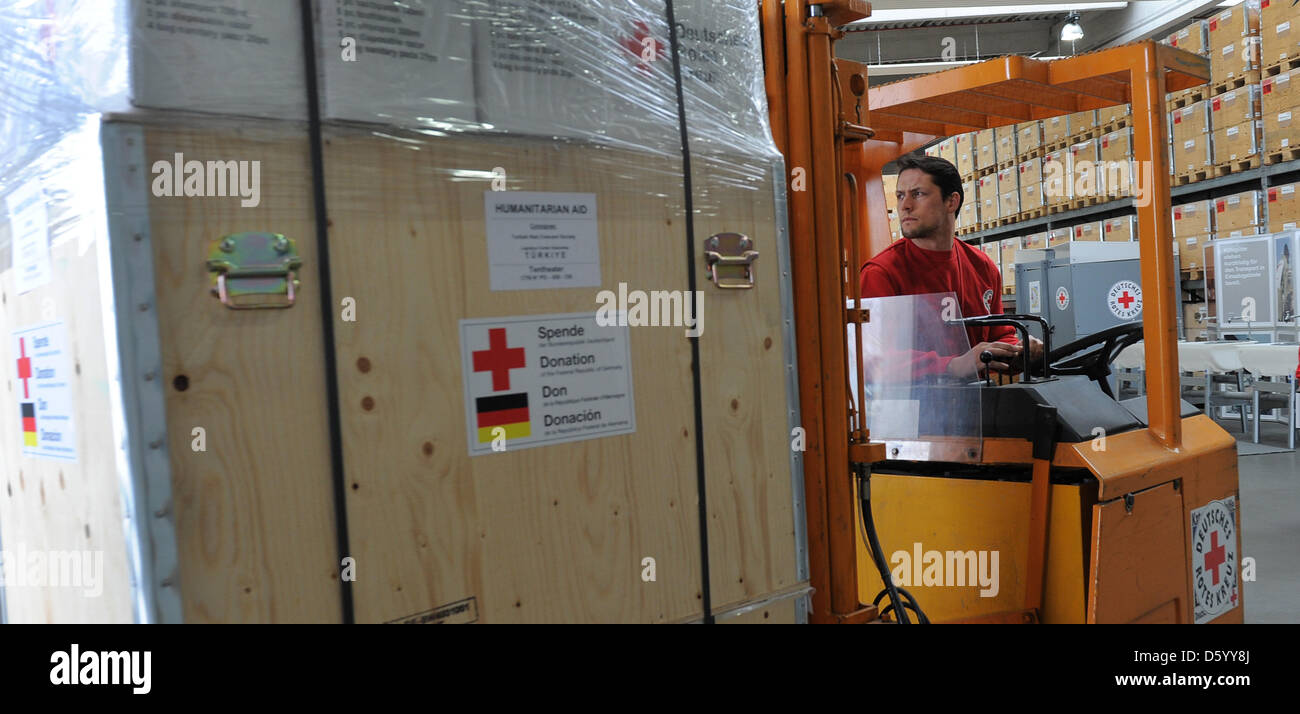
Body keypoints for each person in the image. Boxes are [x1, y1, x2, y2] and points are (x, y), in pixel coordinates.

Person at [861, 154, 1043, 379]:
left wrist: (1018, 350)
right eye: (900, 196)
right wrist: (953, 365)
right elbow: (872, 358)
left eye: (917, 194)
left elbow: (999, 334)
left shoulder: (982, 267)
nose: (905, 206)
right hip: (913, 408)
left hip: (978, 405)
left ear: (951, 201)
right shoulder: (881, 273)